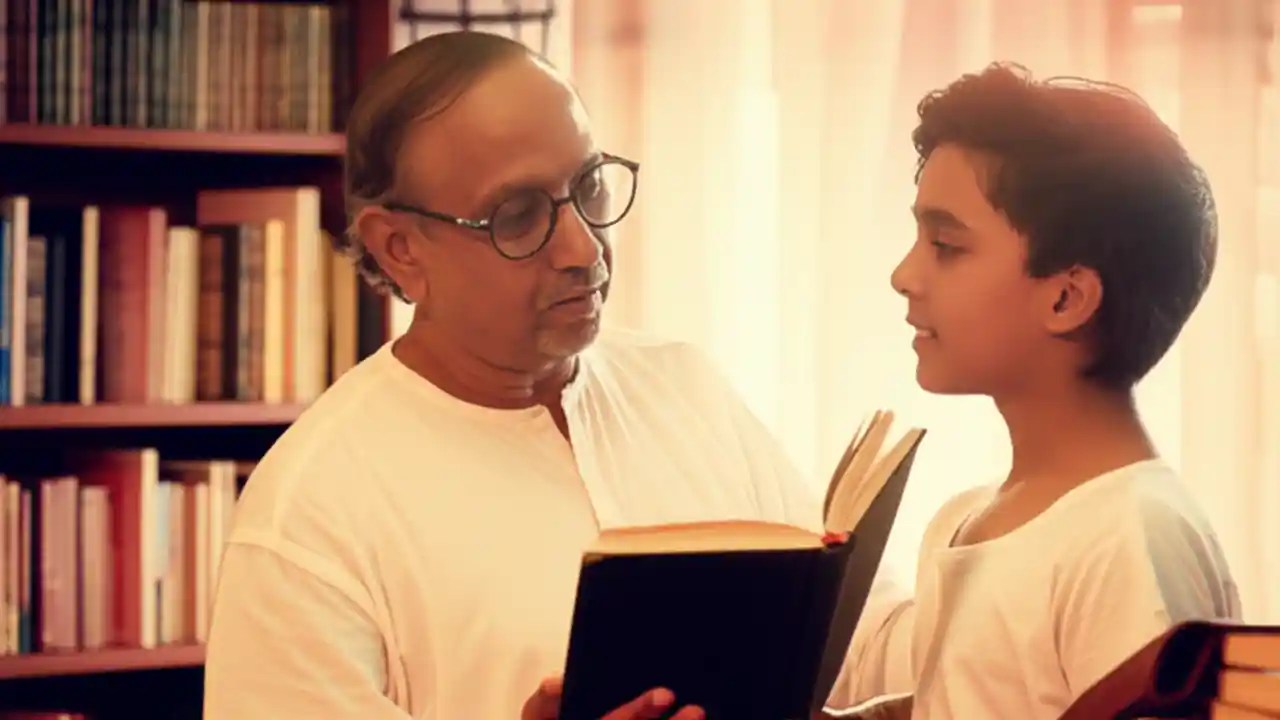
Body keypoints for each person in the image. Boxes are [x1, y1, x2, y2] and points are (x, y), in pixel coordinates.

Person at [202, 30, 902, 719]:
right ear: (401, 248)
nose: (581, 246)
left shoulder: (683, 388)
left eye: (589, 187)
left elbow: (862, 648)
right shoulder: (311, 513)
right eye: (519, 215)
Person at [825, 63, 1242, 720]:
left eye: (945, 245)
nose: (904, 275)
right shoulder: (970, 515)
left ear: (1066, 296)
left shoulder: (1128, 534)